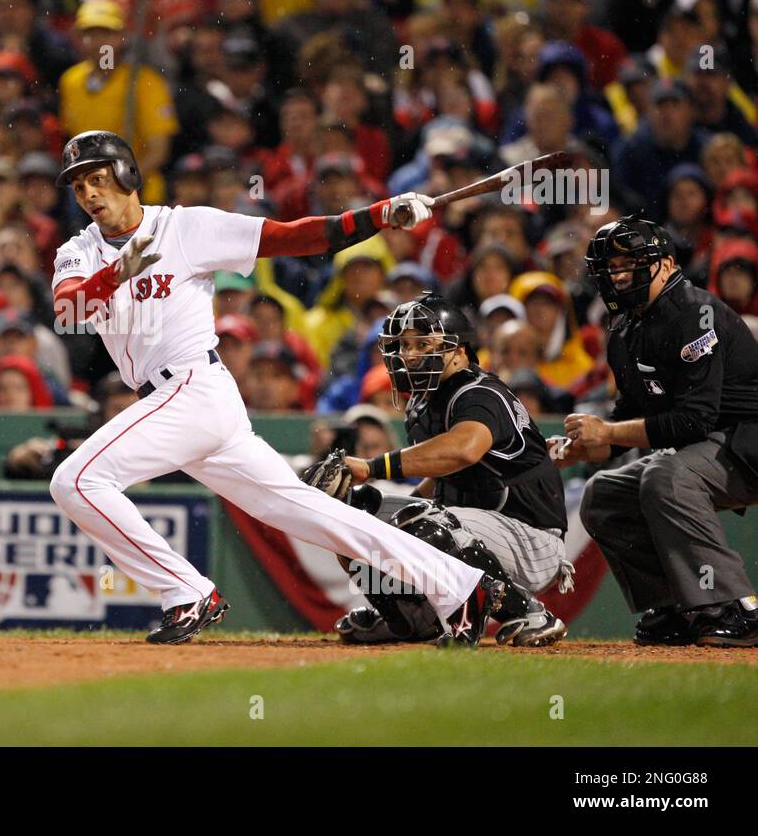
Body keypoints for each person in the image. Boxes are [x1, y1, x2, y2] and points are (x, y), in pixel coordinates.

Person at [46, 130, 503, 645]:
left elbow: (296, 236)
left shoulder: (185, 227)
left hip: (191, 386)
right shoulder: (79, 249)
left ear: (127, 174)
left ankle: (185, 592)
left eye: (98, 179)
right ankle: (460, 584)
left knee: (75, 481)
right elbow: (69, 309)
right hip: (178, 403)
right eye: (79, 185)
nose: (88, 194)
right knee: (313, 513)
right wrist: (114, 275)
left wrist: (379, 214)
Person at [330, 295, 572, 647]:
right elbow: (444, 476)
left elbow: (463, 449)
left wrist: (373, 467)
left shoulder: (479, 392)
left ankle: (528, 612)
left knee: (426, 524)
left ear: (458, 351)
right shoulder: (425, 399)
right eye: (404, 345)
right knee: (351, 516)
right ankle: (411, 618)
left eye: (423, 344)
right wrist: (390, 520)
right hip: (478, 530)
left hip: (531, 537)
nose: (410, 354)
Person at [563, 218, 758, 647]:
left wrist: (609, 432)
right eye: (609, 267)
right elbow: (634, 415)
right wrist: (582, 447)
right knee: (603, 495)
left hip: (748, 440)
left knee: (666, 476)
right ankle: (673, 609)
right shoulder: (625, 331)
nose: (617, 276)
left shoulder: (695, 312)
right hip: (712, 448)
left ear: (666, 265)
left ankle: (733, 607)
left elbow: (693, 420)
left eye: (629, 264)